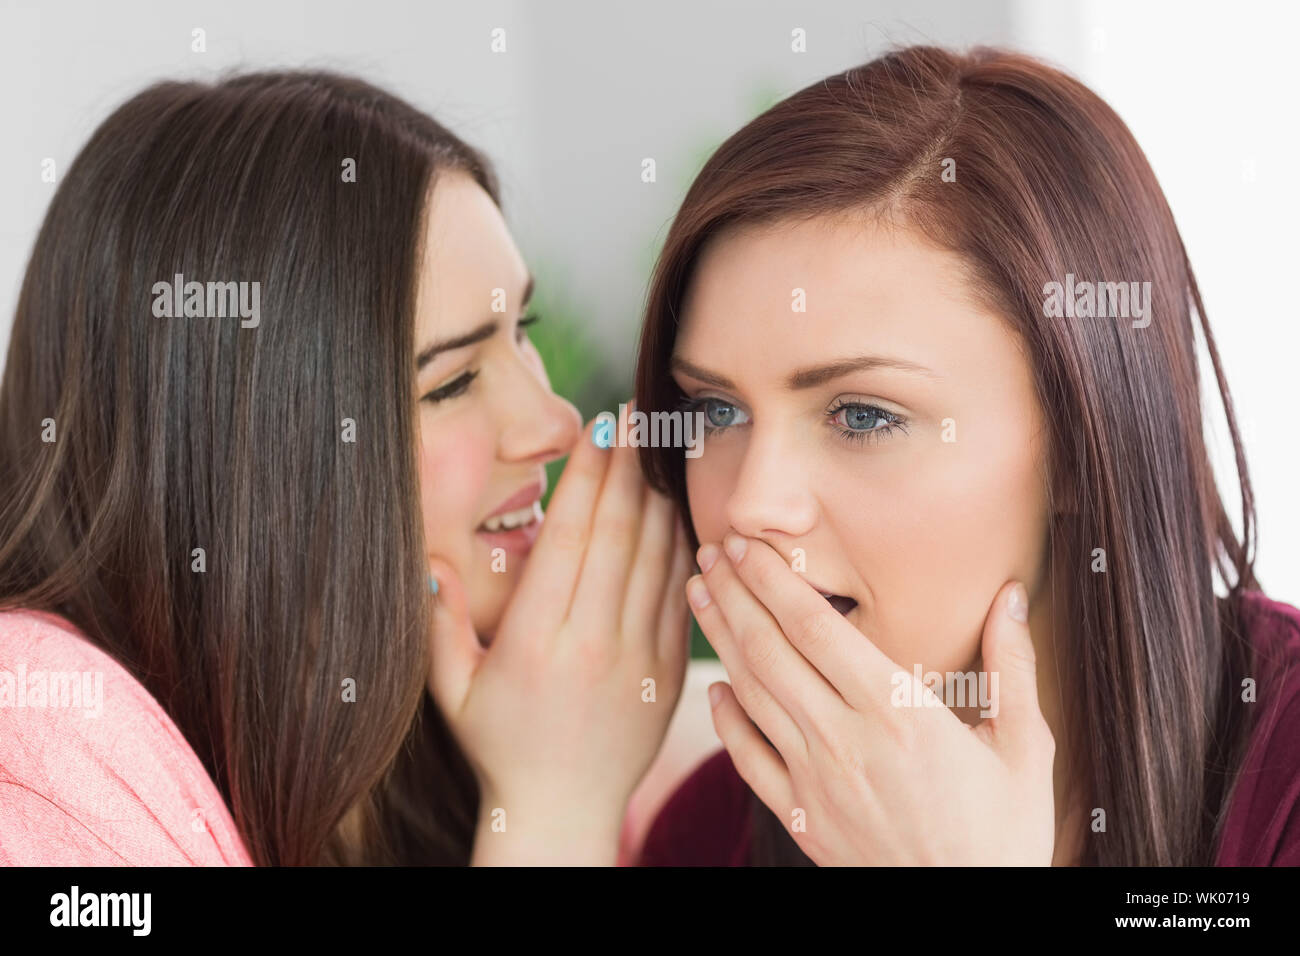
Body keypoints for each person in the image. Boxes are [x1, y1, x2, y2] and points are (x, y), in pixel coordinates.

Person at [0, 71, 693, 865]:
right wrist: (553, 810)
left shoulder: (444, 717)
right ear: (256, 459)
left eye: (521, 330)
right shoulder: (37, 733)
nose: (555, 423)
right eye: (454, 381)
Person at [634, 45, 1300, 866]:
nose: (748, 504)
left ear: (1076, 444)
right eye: (717, 408)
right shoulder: (706, 835)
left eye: (863, 415)